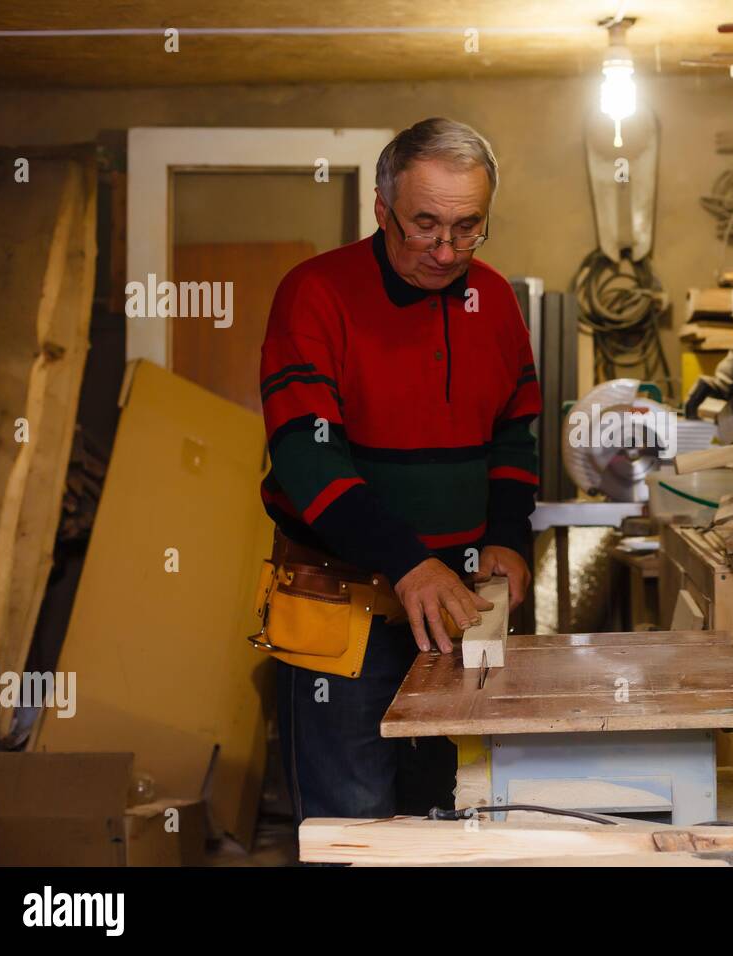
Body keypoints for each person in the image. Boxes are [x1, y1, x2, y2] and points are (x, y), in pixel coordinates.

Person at [257, 118, 540, 824]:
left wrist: (507, 534)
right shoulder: (315, 294)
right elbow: (306, 458)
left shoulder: (495, 300)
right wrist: (407, 562)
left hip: (457, 613)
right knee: (352, 826)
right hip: (342, 610)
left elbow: (515, 429)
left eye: (469, 227)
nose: (447, 251)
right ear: (382, 210)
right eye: (425, 226)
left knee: (451, 814)